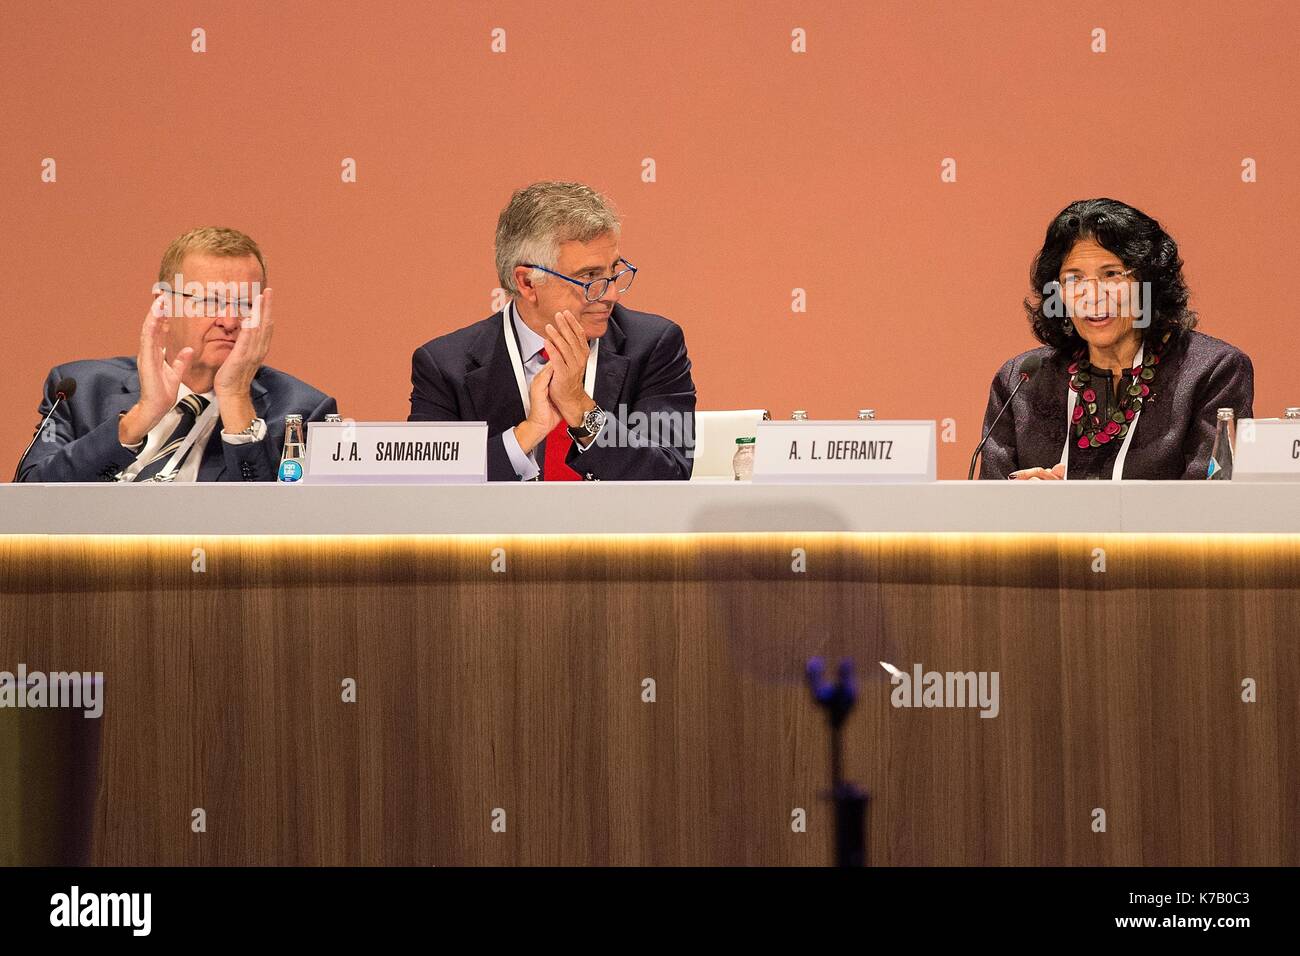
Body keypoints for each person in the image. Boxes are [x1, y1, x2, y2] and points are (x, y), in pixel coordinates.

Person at [409, 181, 695, 481]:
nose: (611, 295)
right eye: (589, 277)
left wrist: (581, 410)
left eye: (614, 271)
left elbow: (670, 474)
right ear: (527, 283)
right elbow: (429, 488)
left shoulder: (654, 346)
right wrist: (527, 434)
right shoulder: (443, 366)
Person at [16, 227, 336, 482]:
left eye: (245, 304)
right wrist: (139, 418)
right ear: (166, 306)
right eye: (210, 301)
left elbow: (282, 533)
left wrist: (236, 397)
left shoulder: (300, 412)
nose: (229, 321)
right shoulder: (80, 390)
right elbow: (30, 498)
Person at [978, 198, 1253, 480]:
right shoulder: (1021, 381)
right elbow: (983, 512)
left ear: (1149, 282)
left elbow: (1212, 505)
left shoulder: (1212, 371)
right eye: (1074, 279)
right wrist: (1021, 503)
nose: (1093, 295)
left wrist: (1076, 509)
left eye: (1111, 275)